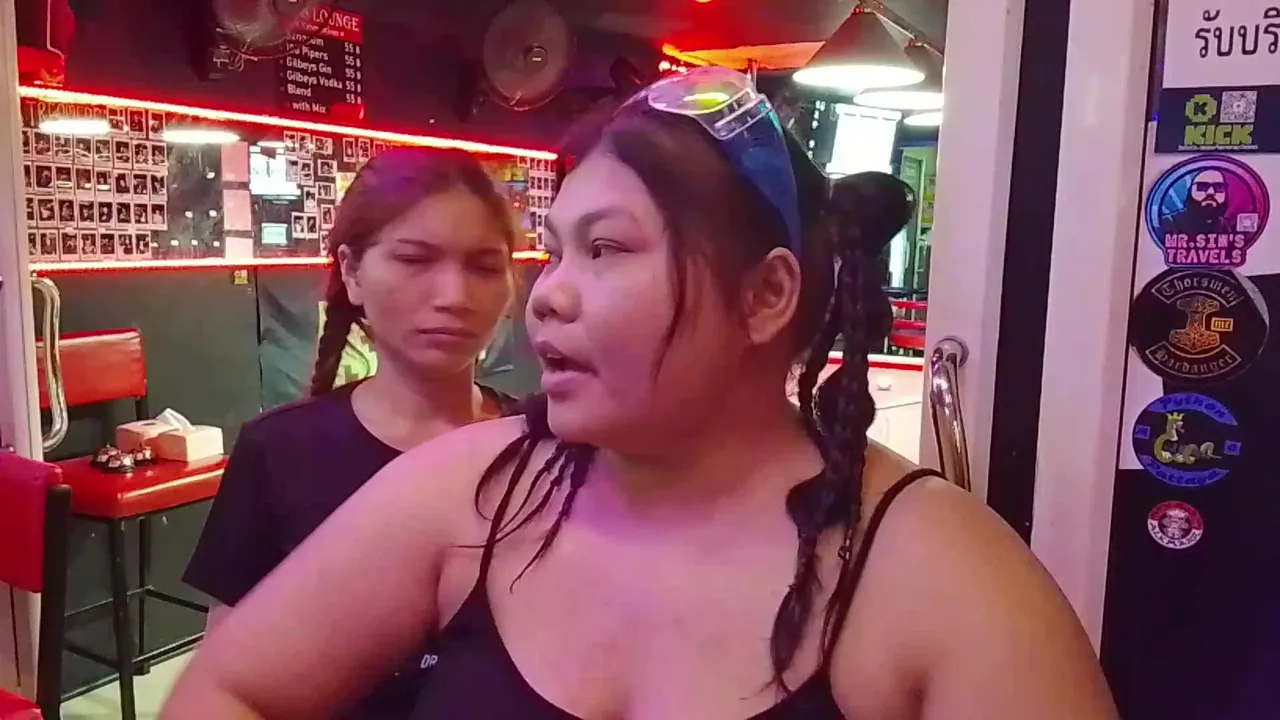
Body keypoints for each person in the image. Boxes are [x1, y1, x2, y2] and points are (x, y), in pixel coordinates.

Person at [163, 68, 1118, 719]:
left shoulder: (938, 578)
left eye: (608, 249)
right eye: (554, 251)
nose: (549, 294)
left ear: (766, 296)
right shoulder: (469, 491)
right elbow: (228, 690)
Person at [180, 146, 520, 719]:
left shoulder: (541, 449)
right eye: (414, 259)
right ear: (352, 271)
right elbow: (228, 675)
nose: (454, 296)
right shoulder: (279, 452)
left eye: (484, 267)